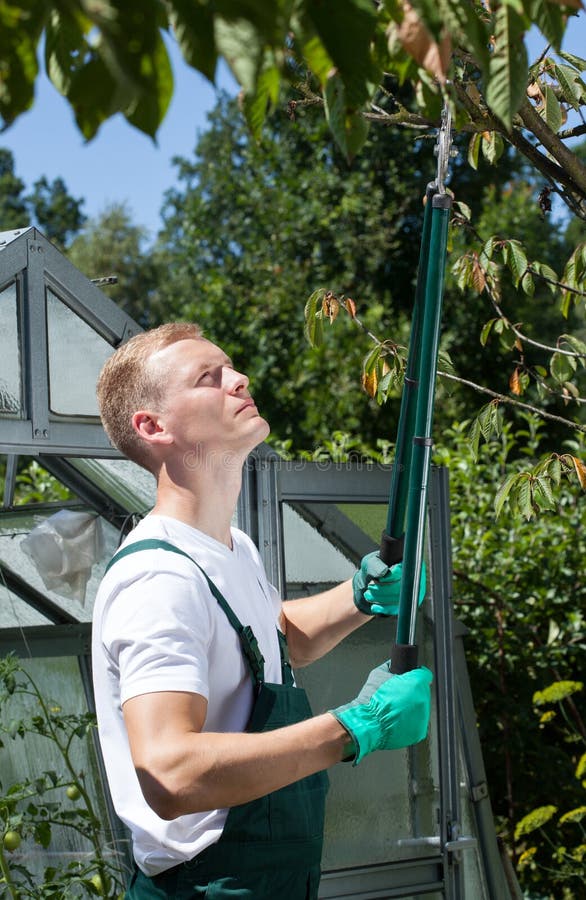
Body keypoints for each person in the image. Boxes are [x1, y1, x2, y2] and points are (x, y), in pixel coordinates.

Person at [92, 321, 432, 899]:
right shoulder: (159, 577)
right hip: (207, 888)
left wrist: (358, 598)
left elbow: (270, 643)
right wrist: (356, 726)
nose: (238, 379)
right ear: (153, 427)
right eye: (209, 377)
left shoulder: (233, 547)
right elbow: (170, 772)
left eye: (230, 367)